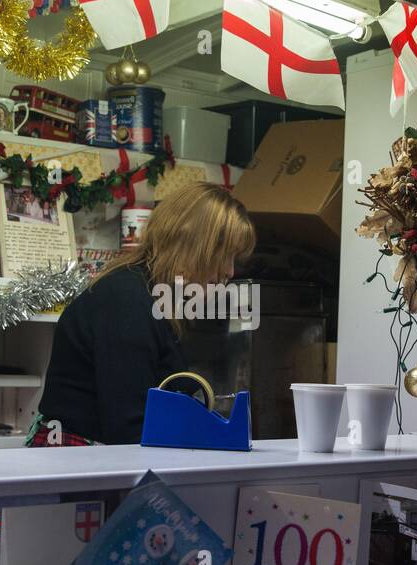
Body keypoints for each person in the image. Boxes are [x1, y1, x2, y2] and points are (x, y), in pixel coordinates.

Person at [27, 183, 255, 446]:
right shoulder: (127, 301)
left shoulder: (153, 294)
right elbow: (128, 429)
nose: (229, 272)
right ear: (189, 245)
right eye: (222, 256)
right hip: (79, 460)